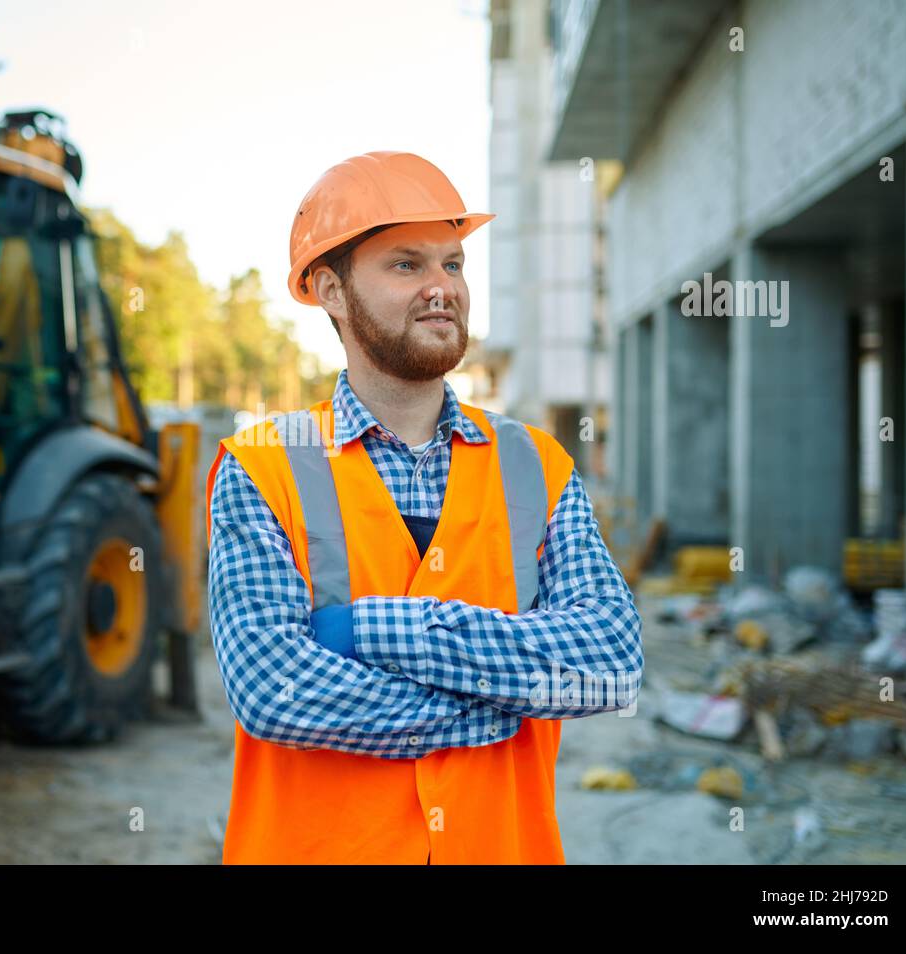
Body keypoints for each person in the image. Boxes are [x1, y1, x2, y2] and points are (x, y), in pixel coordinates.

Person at [205, 151, 643, 864]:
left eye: (454, 264)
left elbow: (610, 665)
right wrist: (494, 705)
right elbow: (274, 689)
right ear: (331, 292)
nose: (443, 288)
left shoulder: (536, 464)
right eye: (406, 265)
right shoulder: (262, 467)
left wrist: (368, 629)